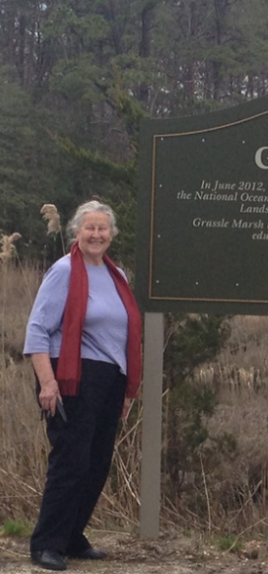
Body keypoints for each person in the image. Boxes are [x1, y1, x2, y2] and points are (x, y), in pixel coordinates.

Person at [24, 200, 142, 571]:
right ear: (77, 232)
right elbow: (38, 329)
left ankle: (73, 536)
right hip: (73, 376)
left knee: (96, 463)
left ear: (111, 234)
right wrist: (47, 383)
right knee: (70, 462)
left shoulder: (116, 274)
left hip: (110, 378)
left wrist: (125, 389)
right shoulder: (64, 271)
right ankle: (47, 543)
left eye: (102, 228)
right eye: (89, 228)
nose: (96, 234)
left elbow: (123, 333)